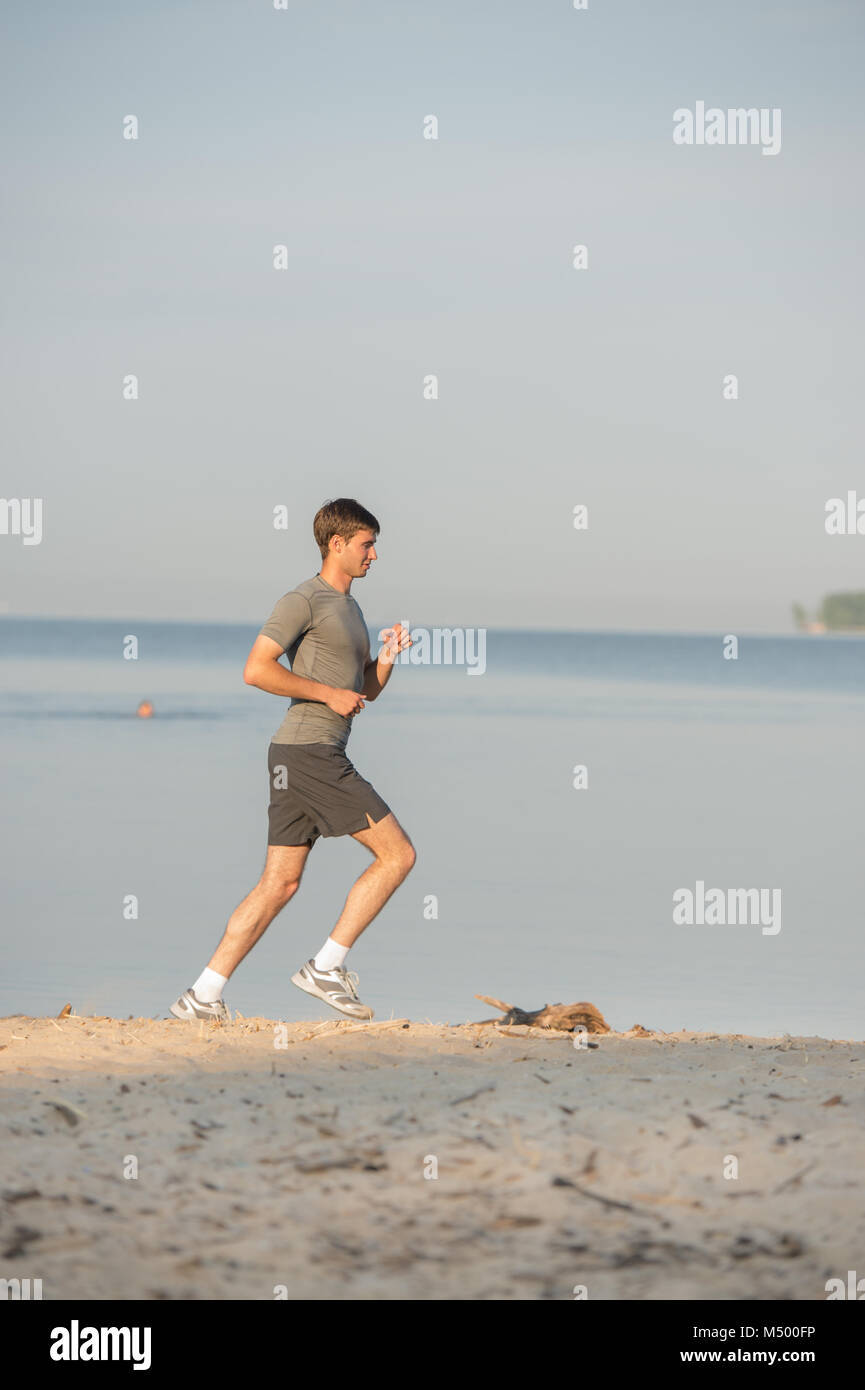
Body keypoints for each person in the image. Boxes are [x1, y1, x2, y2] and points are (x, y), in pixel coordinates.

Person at [170, 497, 415, 1024]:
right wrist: (327, 695)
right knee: (398, 856)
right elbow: (256, 670)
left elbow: (362, 692)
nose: (375, 555)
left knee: (279, 883)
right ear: (338, 544)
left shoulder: (351, 608)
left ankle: (202, 996)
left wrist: (386, 660)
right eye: (367, 544)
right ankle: (326, 968)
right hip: (310, 754)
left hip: (300, 754)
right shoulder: (302, 600)